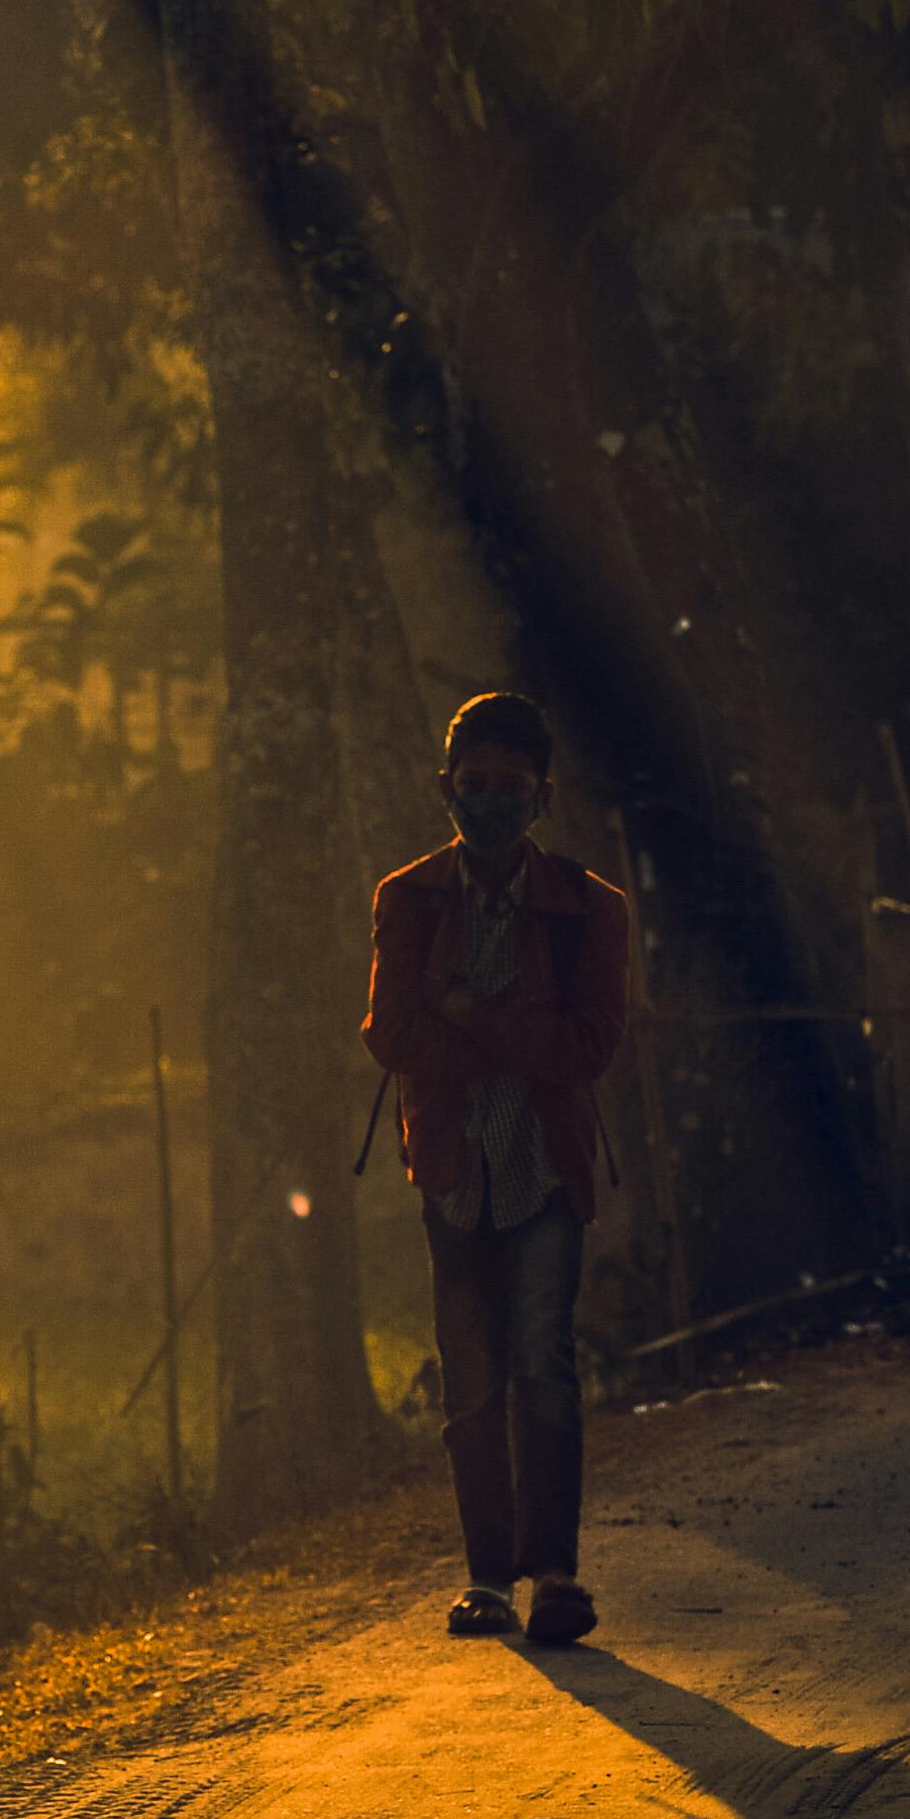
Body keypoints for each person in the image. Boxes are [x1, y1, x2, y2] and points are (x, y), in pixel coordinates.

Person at [362, 691, 631, 1644]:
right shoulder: (410, 898)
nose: (489, 803)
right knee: (471, 1377)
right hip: (452, 1170)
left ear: (540, 796)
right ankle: (489, 1581)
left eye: (508, 788)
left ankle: (554, 1573)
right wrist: (515, 1038)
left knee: (540, 1367)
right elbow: (386, 1030)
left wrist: (469, 1018)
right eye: (474, 786)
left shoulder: (591, 911)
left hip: (545, 1171)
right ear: (446, 790)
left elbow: (592, 1044)